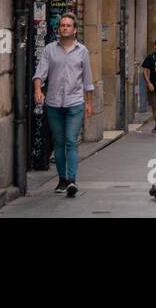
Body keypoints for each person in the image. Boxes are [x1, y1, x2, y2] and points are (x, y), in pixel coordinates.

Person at [33, 13, 95, 198]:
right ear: (59, 29)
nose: (65, 28)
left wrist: (89, 103)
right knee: (59, 143)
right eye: (62, 25)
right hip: (53, 104)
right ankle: (62, 179)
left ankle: (72, 180)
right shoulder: (49, 50)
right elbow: (40, 74)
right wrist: (38, 89)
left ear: (75, 30)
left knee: (70, 140)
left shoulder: (82, 51)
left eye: (68, 25)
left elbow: (88, 80)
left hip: (75, 103)